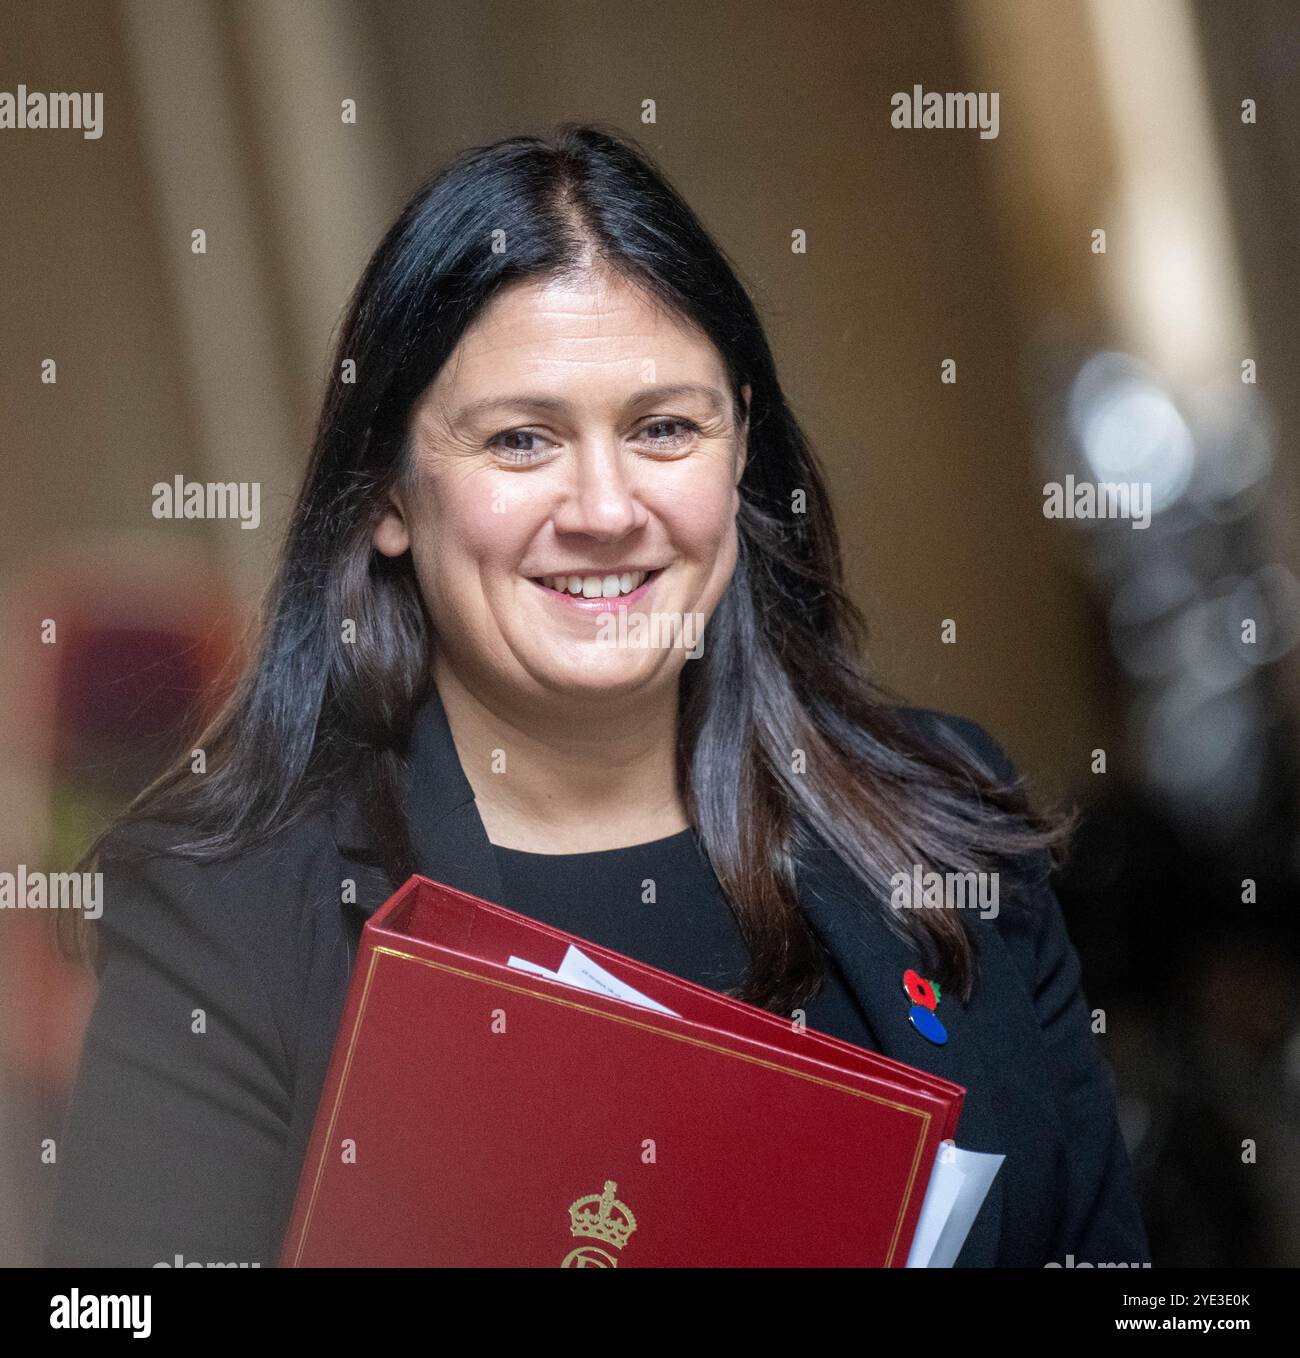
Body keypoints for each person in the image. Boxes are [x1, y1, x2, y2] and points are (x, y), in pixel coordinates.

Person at [46, 123, 1148, 1268]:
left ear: (739, 458)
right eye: (521, 440)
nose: (606, 506)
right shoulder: (229, 924)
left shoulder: (944, 814)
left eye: (664, 427)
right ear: (388, 496)